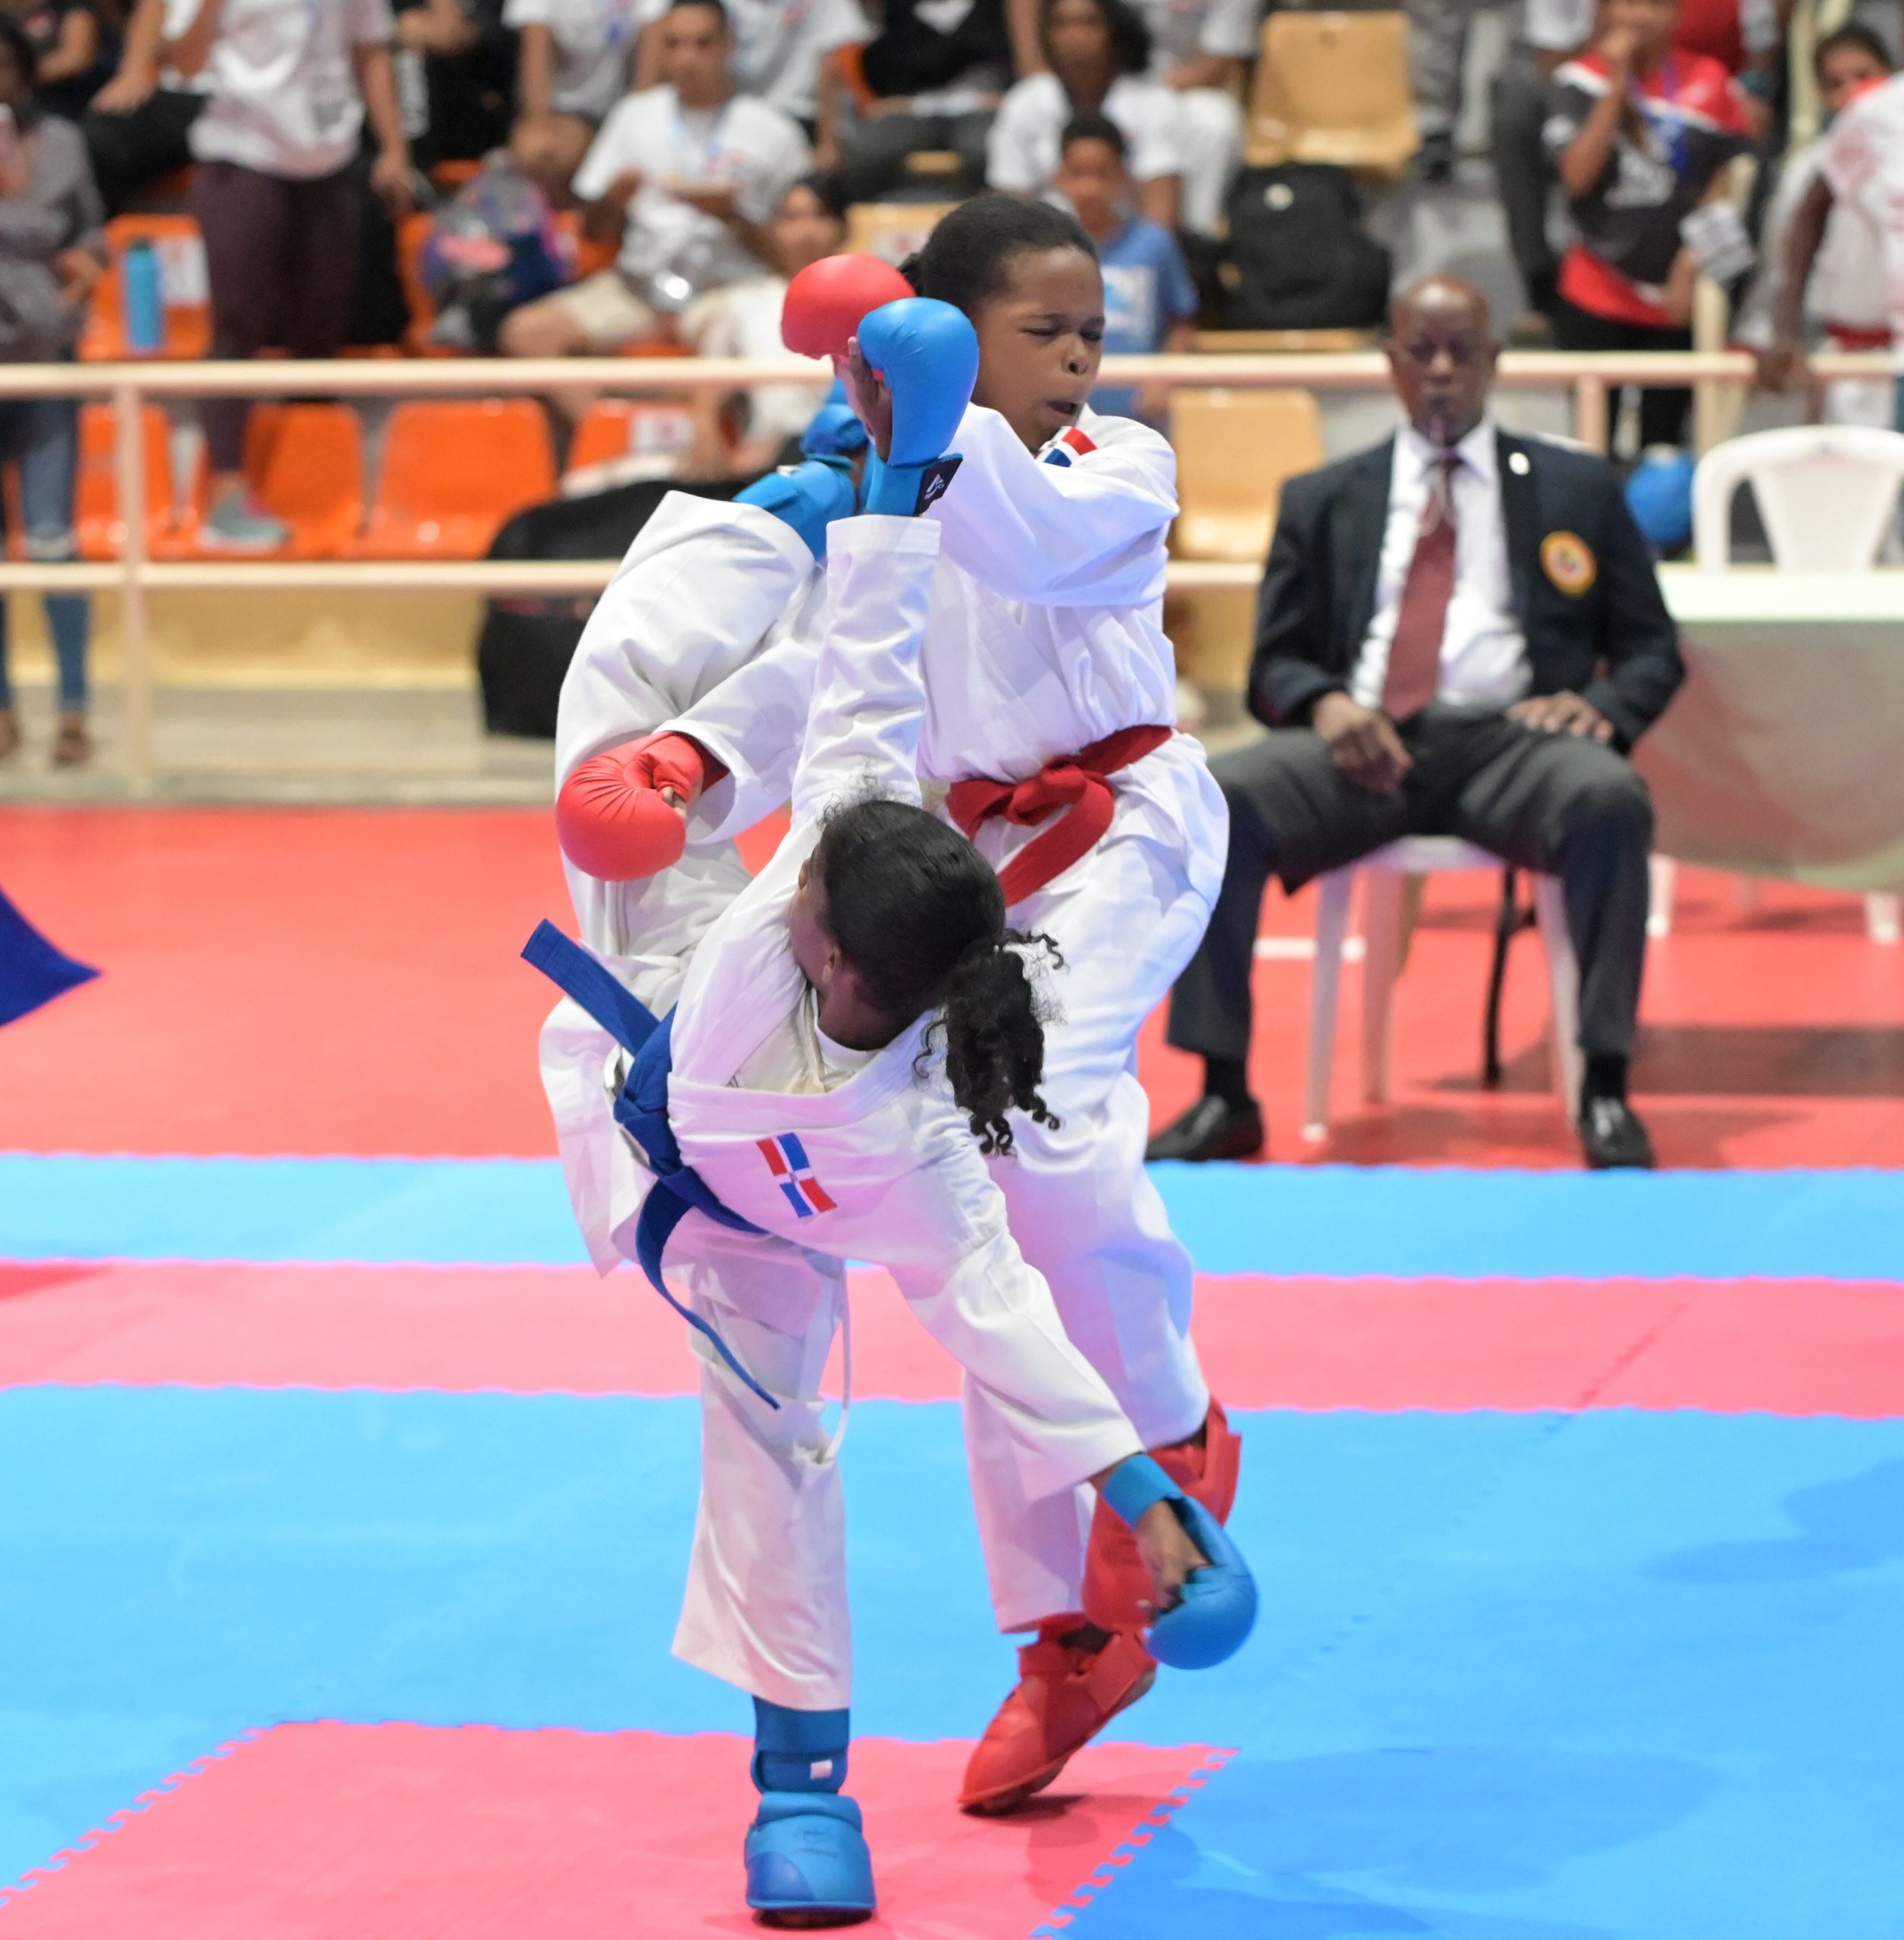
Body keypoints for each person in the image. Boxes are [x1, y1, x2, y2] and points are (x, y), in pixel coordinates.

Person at [531, 295, 1253, 1922]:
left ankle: (1156, 1471)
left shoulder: (934, 1151)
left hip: (810, 1148)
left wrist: (1146, 1503)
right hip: (684, 1135)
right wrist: (873, 495)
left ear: (826, 939)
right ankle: (797, 1780)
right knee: (614, 742)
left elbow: (1003, 1333)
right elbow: (855, 679)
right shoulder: (828, 842)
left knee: (1036, 1185)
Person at [1147, 277, 1684, 1172]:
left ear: (1494, 362)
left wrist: (1597, 708)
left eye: (1459, 351)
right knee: (1218, 796)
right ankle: (1222, 1088)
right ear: (1391, 363)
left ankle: (1604, 1086)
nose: (1440, 372)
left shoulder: (1575, 487)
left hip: (1509, 745)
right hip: (1360, 749)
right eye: (1420, 352)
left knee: (1608, 798)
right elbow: (1272, 665)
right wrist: (1324, 703)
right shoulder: (1324, 497)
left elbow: (1651, 650)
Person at [166, 0, 413, 551]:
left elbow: (370, 51)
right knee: (237, 326)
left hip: (329, 154)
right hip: (242, 153)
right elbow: (183, 63)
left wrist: (394, 146)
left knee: (321, 330)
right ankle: (226, 493)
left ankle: (315, 485)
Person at [497, 0, 808, 365]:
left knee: (752, 333)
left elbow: (798, 252)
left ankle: (701, 420)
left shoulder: (774, 130)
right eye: (673, 44)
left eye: (702, 43)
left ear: (729, 45)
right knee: (527, 334)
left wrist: (736, 215)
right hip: (640, 287)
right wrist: (614, 201)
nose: (686, 58)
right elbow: (595, 234)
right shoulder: (634, 115)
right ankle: (615, 423)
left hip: (731, 288)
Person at [1544, 0, 1753, 451]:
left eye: (1656, 4)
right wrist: (1617, 84)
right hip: (1594, 292)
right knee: (1590, 447)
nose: (1640, 16)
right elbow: (1577, 177)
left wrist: (1692, 261)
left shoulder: (1710, 80)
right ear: (1606, 11)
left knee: (1664, 452)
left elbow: (1728, 181)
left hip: (1673, 299)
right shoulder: (1577, 80)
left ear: (1677, 15)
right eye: (1629, 2)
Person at [0, 14, 102, 767]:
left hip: (47, 363)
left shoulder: (63, 143)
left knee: (55, 541)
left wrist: (87, 265)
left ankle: (73, 708)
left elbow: (91, 232)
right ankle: (2, 712)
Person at [1740, 24, 1892, 427]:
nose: (1854, 91)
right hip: (1846, 354)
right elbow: (1786, 250)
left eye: (1864, 75)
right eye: (1836, 83)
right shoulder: (1812, 166)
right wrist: (1779, 331)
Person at [678, 172, 845, 476]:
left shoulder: (868, 299)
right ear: (774, 229)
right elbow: (710, 382)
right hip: (771, 459)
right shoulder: (745, 303)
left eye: (820, 216)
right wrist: (705, 434)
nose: (806, 232)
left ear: (842, 226)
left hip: (844, 454)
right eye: (791, 218)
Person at [986, 0, 1183, 231]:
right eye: (1061, 24)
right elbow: (1011, 206)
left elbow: (1160, 219)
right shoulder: (1025, 102)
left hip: (1130, 251)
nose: (1075, 36)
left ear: (1115, 31)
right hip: (1049, 250)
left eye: (1089, 23)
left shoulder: (1153, 102)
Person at [1052, 111, 1194, 422]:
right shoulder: (1047, 253)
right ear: (1059, 178)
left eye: (1102, 173)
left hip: (1141, 414)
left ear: (1123, 177)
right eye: (1079, 173)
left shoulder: (1154, 243)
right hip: (1067, 417)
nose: (1090, 188)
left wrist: (1163, 381)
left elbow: (1182, 322)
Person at [631, 0, 868, 164]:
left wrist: (829, 143)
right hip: (722, 109)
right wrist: (638, 116)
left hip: (796, 115)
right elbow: (663, 29)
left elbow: (831, 58)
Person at [834, 0, 1014, 203]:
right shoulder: (899, 8)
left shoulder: (994, 8)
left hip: (983, 106)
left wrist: (1011, 99)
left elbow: (1009, 57)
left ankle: (991, 226)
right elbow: (884, 68)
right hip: (913, 108)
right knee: (869, 153)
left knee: (986, 150)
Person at [1490, 0, 1595, 329]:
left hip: (1645, 68)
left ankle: (1602, 275)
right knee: (1514, 111)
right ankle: (1538, 279)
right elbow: (1551, 47)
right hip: (1563, 68)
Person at [1128, 0, 1252, 233]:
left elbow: (1214, 66)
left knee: (1216, 125)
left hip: (1190, 89)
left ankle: (1196, 239)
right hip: (1115, 80)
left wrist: (1155, 92)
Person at [81, 0, 206, 216]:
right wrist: (132, 72)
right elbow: (153, 8)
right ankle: (94, 237)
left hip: (234, 95)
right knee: (95, 138)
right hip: (171, 88)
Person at [505, 0, 639, 196]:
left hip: (620, 111)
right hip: (560, 112)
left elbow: (646, 85)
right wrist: (541, 127)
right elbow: (536, 67)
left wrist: (632, 130)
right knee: (537, 148)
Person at [2, 0, 108, 120]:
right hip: (18, 106)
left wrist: (20, 74)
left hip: (75, 102)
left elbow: (76, 58)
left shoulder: (67, 4)